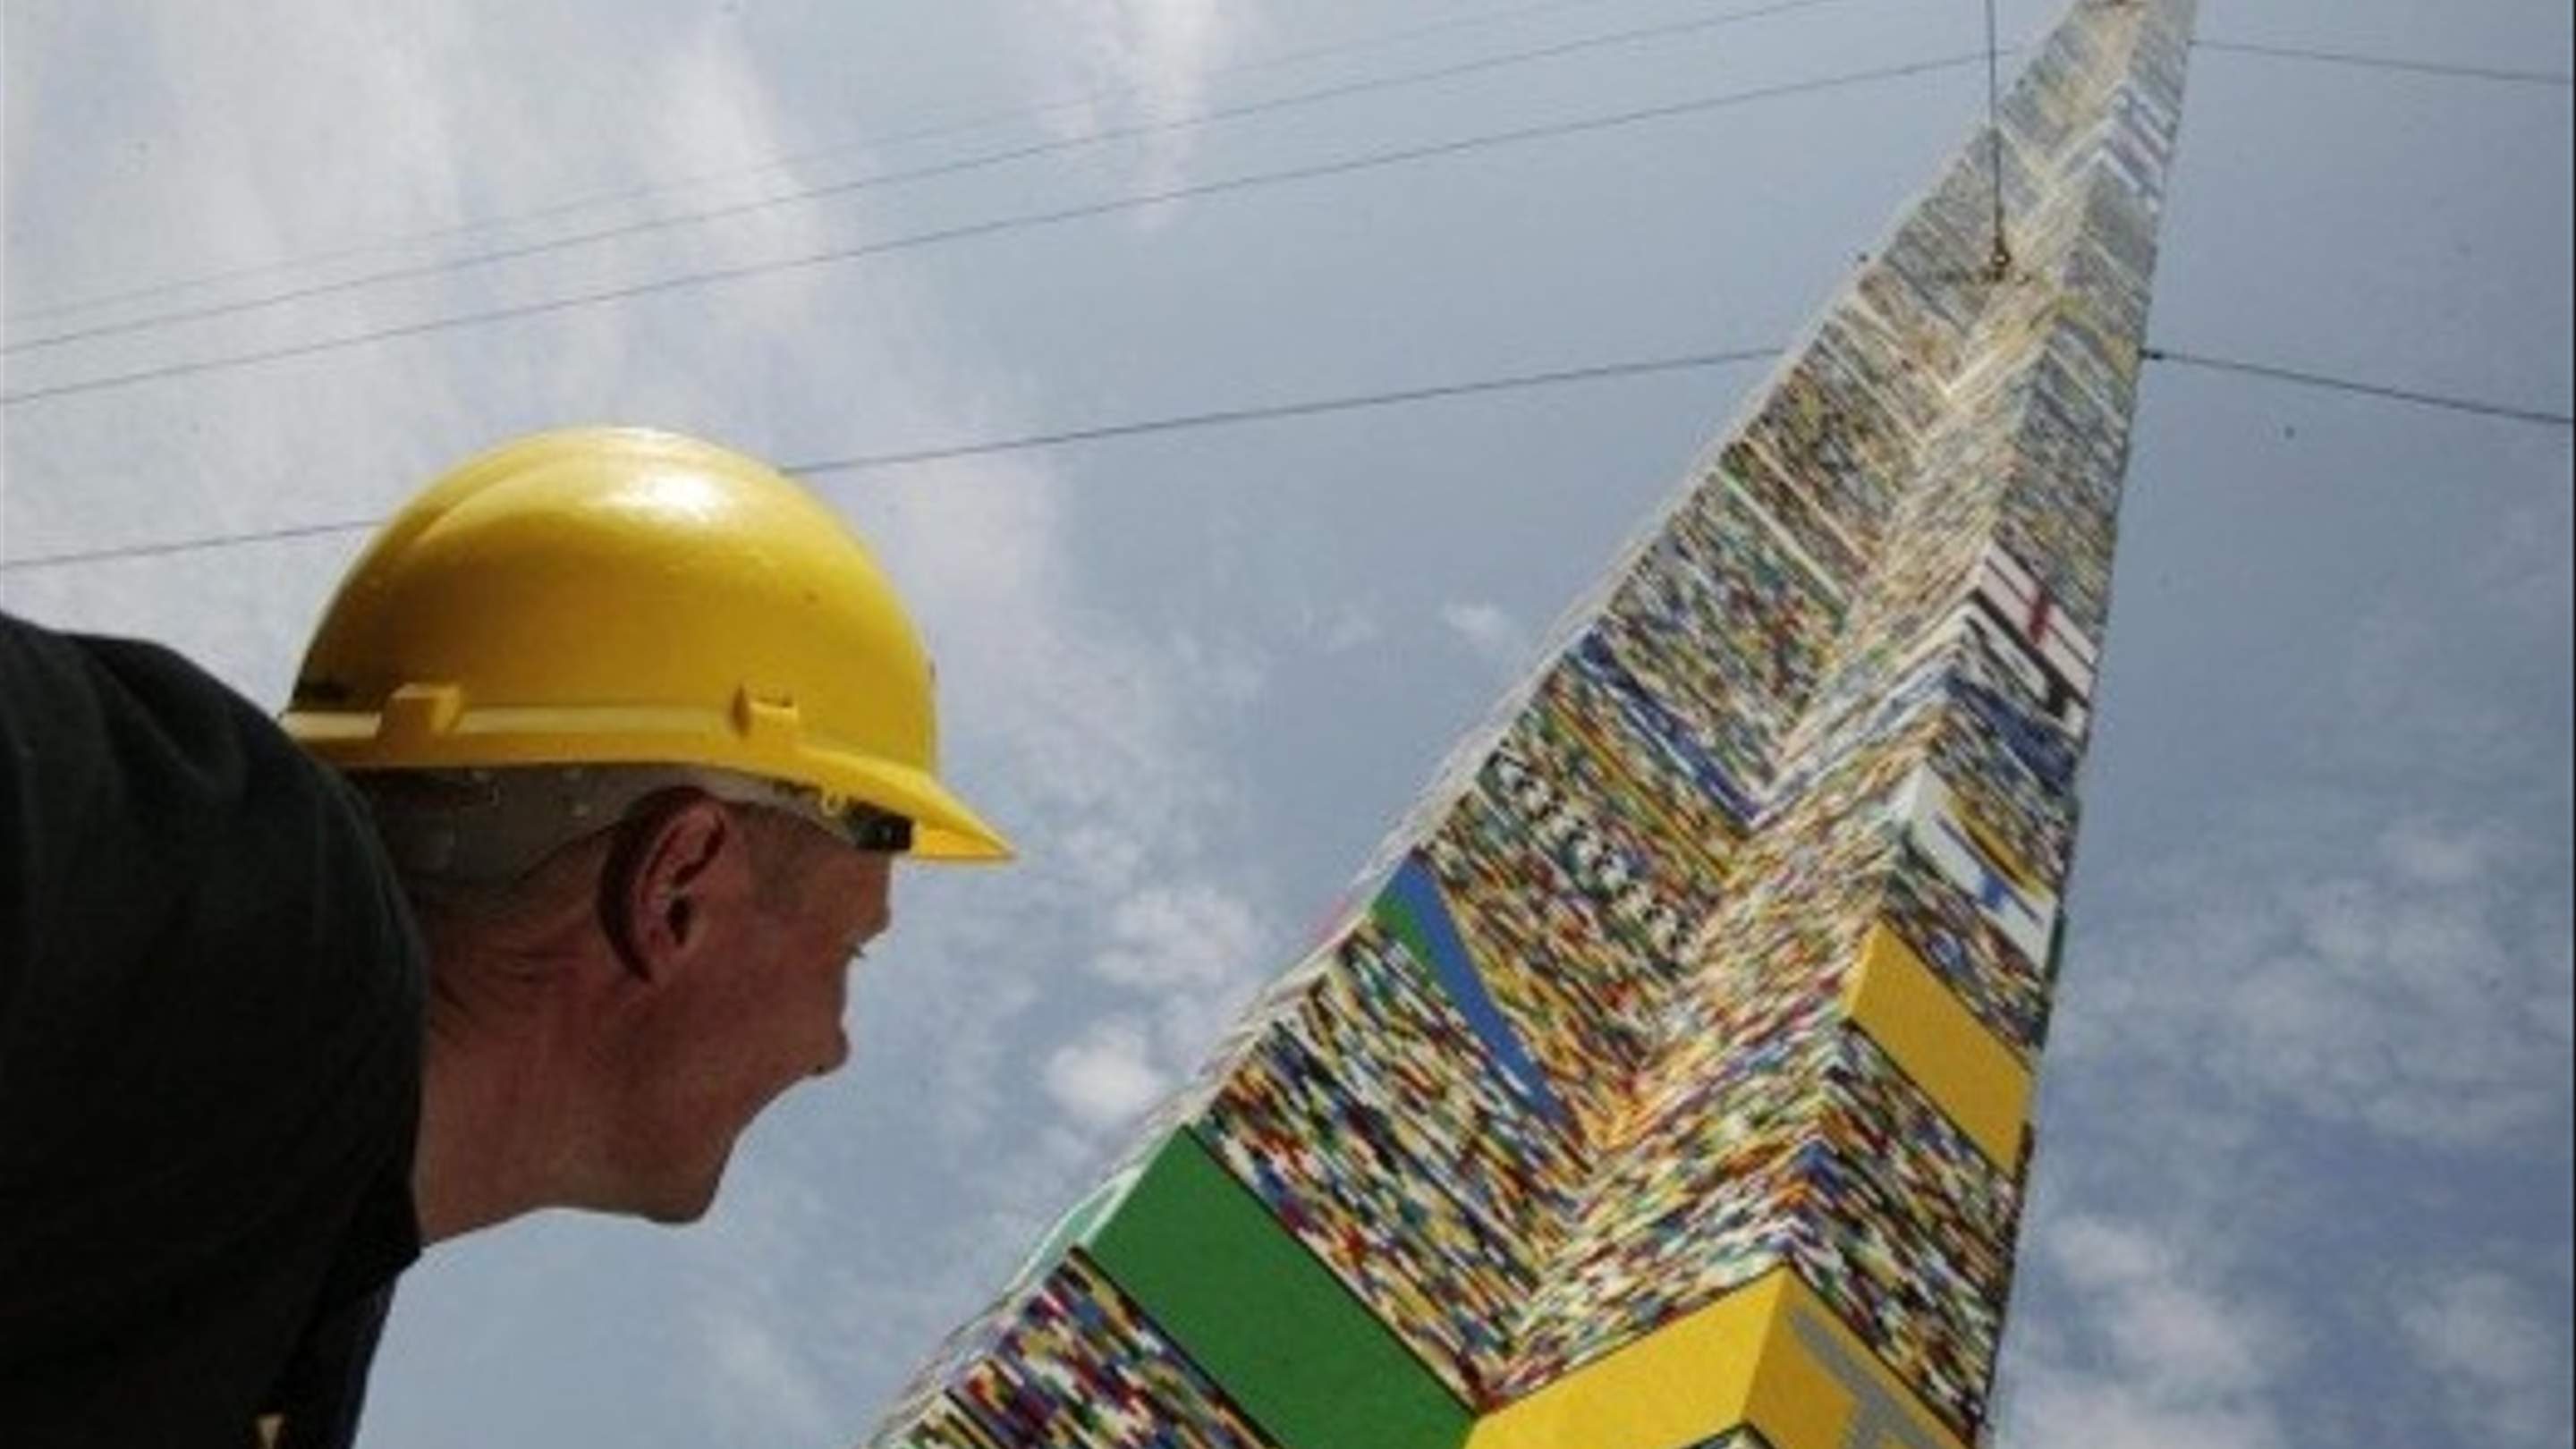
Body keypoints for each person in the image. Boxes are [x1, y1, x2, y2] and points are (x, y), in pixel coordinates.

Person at [0, 428, 1010, 1447]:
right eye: (852, 953)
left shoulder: (285, 1304)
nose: (836, 1047)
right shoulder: (221, 905)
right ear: (677, 892)